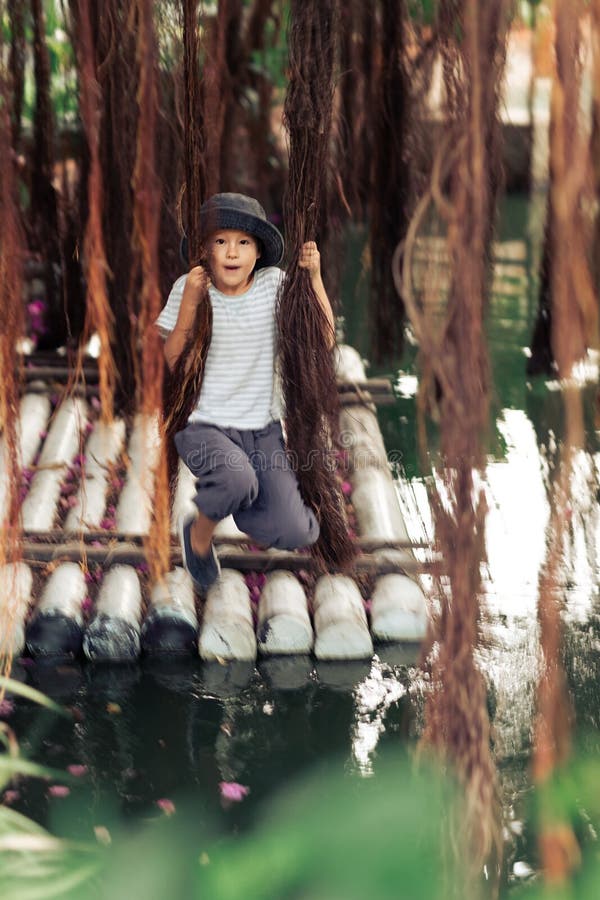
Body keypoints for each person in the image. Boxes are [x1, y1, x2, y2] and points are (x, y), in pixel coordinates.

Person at [156, 192, 335, 593]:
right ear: (205, 249)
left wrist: (315, 277)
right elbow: (173, 361)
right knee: (237, 478)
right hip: (203, 426)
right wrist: (190, 305)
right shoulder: (190, 287)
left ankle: (239, 497)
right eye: (220, 241)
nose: (232, 252)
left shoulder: (275, 286)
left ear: (258, 252)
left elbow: (324, 338)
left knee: (297, 530)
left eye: (243, 242)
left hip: (262, 431)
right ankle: (198, 534)